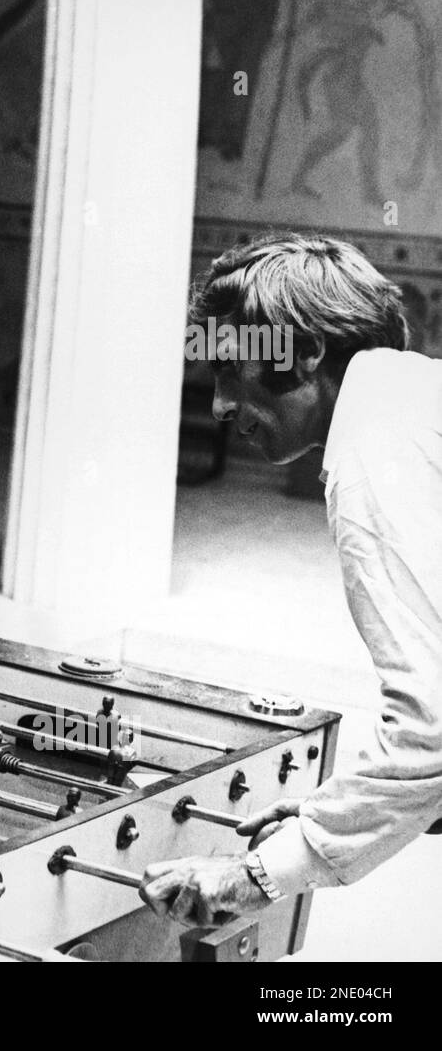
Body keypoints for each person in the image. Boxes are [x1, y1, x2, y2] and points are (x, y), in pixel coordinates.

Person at [140, 233, 442, 927]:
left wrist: (255, 876)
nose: (217, 404)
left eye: (227, 370)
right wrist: (331, 815)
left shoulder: (373, 451)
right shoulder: (412, 395)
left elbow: (430, 729)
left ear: (303, 351)